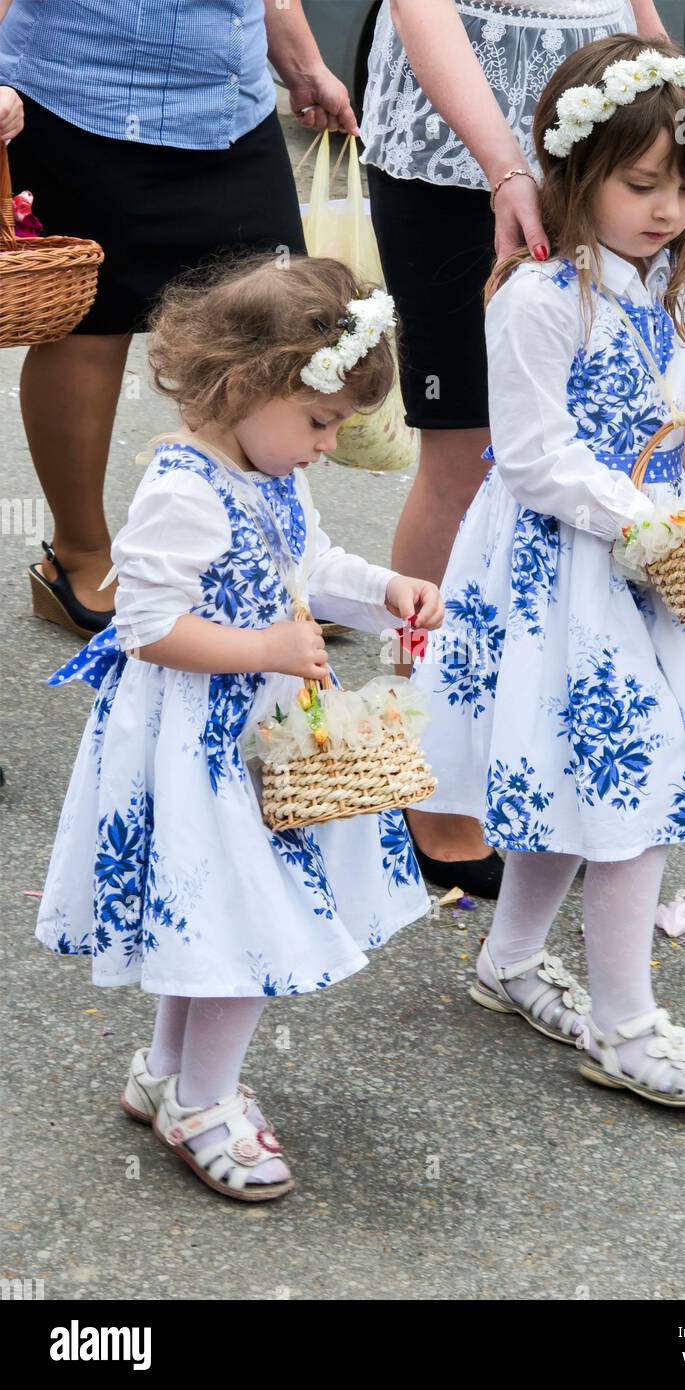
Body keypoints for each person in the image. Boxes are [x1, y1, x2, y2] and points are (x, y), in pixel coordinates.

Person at [409, 33, 685, 1106]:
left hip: (648, 574)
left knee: (599, 781)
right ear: (575, 171)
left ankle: (510, 955)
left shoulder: (670, 278)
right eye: (642, 184)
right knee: (637, 779)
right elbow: (534, 460)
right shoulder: (540, 299)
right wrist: (650, 525)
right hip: (567, 578)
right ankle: (625, 1024)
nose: (669, 208)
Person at [34, 254, 444, 1199]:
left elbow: (314, 562)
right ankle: (205, 1104)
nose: (327, 447)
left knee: (219, 915)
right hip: (196, 747)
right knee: (249, 922)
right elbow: (146, 628)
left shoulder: (268, 473)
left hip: (252, 740)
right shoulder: (181, 490)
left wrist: (384, 590)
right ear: (244, 383)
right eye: (319, 422)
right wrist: (262, 647)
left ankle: (171, 1073)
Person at [360, 0, 685, 895]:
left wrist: (679, 112)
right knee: (467, 459)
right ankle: (425, 777)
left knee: (588, 458)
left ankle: (535, 752)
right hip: (458, 159)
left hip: (613, 142)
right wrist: (509, 171)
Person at [0, 0, 357, 638]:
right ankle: (78, 554)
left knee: (277, 330)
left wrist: (303, 66)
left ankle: (257, 556)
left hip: (232, 108)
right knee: (89, 327)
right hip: (80, 101)